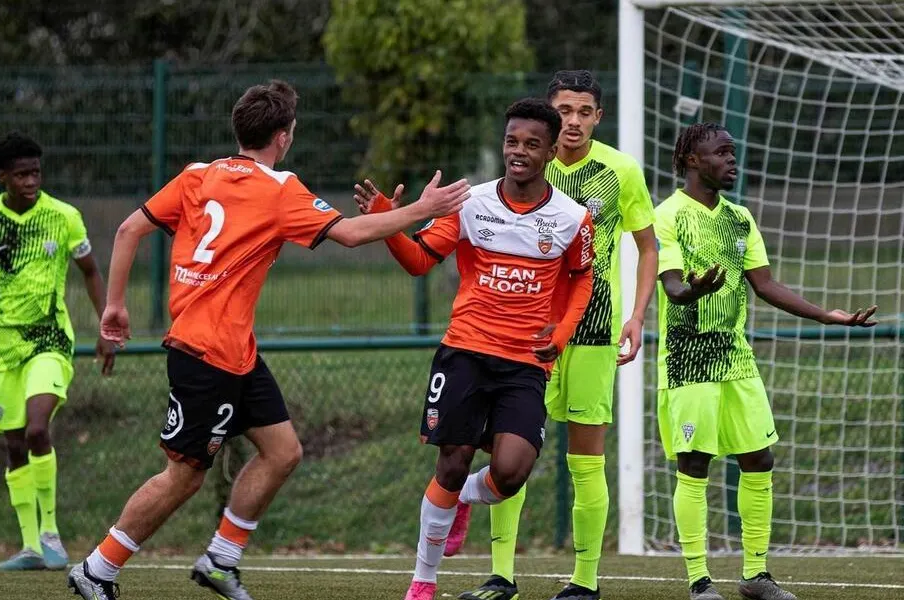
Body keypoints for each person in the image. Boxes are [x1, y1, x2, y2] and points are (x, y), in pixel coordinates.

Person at [66, 79, 471, 600]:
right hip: (203, 354)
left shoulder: (196, 176)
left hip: (235, 354)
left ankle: (220, 559)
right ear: (283, 137)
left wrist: (116, 305)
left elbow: (127, 231)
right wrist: (423, 209)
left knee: (282, 451)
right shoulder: (280, 190)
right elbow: (348, 234)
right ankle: (98, 568)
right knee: (184, 475)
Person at [354, 97, 595, 600]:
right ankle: (423, 581)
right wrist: (391, 221)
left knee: (510, 473)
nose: (519, 152)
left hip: (525, 362)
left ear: (552, 151)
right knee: (452, 459)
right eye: (512, 141)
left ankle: (464, 497)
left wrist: (562, 331)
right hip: (464, 350)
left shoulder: (573, 218)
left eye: (532, 144)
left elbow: (580, 278)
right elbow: (420, 261)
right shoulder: (469, 202)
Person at [454, 69, 659, 600]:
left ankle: (585, 582)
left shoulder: (620, 171)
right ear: (550, 115)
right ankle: (502, 575)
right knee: (507, 452)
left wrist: (637, 315)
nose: (573, 121)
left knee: (586, 458)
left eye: (584, 111)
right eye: (564, 110)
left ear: (598, 117)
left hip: (592, 334)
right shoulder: (529, 167)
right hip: (526, 337)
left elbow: (648, 246)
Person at [656, 122, 877, 600]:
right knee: (695, 462)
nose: (732, 160)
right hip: (687, 358)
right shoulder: (668, 215)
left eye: (733, 152)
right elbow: (672, 286)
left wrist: (827, 316)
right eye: (722, 152)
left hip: (736, 357)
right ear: (693, 160)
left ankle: (755, 575)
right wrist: (695, 290)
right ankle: (699, 581)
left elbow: (766, 284)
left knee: (759, 458)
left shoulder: (739, 218)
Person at [0, 132, 115, 571]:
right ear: (3, 177)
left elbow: (91, 272)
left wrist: (107, 324)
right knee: (14, 445)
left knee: (38, 430)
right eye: (21, 175)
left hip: (49, 340)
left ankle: (51, 533)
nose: (31, 181)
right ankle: (31, 546)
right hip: (0, 347)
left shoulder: (64, 217)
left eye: (36, 172)